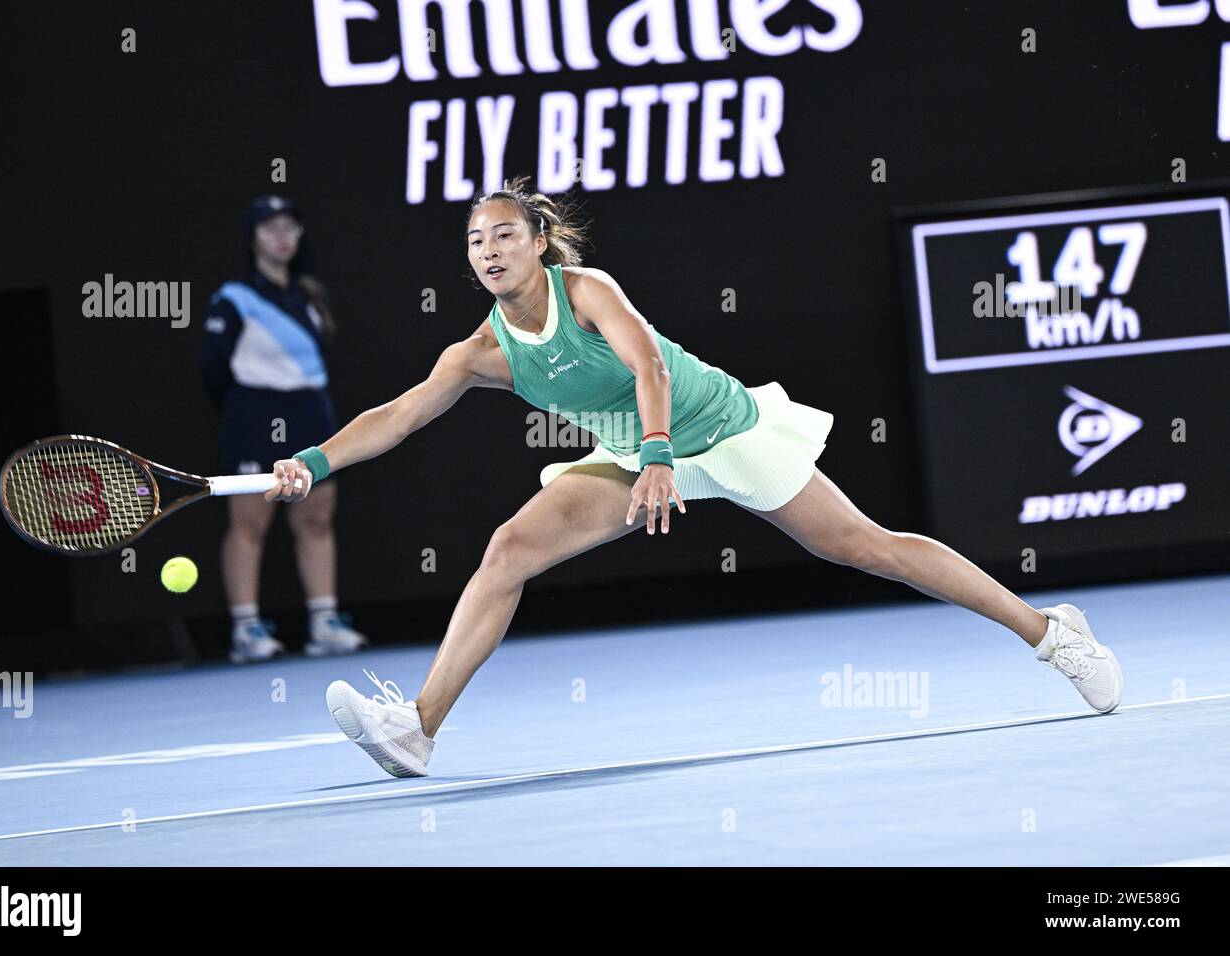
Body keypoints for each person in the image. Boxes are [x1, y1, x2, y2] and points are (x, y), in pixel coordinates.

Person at [265, 176, 1122, 777]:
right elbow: (400, 415)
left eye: (503, 235)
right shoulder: (478, 351)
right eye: (474, 241)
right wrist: (311, 462)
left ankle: (1052, 633)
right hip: (634, 455)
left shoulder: (587, 288)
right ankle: (418, 728)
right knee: (508, 550)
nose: (488, 251)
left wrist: (663, 453)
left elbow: (650, 368)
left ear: (537, 242)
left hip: (712, 429)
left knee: (869, 549)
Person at [202, 195, 367, 663]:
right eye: (270, 227)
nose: (282, 236)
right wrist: (244, 410)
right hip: (253, 413)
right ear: (253, 237)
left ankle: (324, 622)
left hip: (310, 412)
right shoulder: (233, 298)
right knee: (250, 523)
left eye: (290, 227)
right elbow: (212, 372)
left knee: (316, 520)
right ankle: (247, 629)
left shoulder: (310, 294)